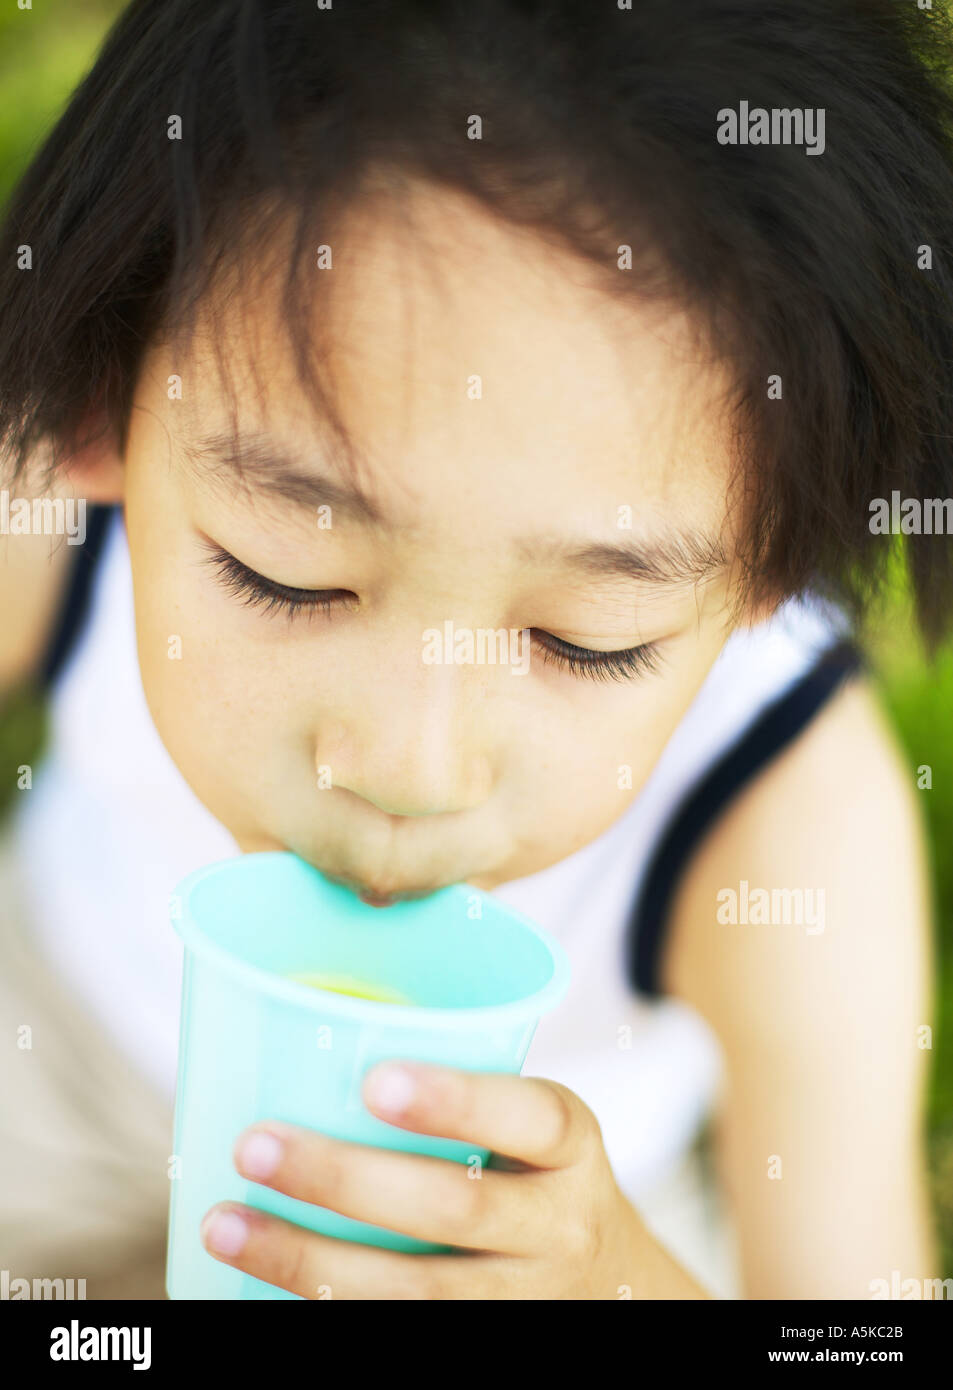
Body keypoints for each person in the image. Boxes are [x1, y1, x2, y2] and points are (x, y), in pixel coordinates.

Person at [0, 0, 948, 1300]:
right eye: (287, 572)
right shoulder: (45, 523)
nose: (408, 765)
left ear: (760, 588)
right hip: (63, 1070)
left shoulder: (783, 822)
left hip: (522, 1225)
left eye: (585, 638)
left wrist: (617, 1284)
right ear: (98, 414)